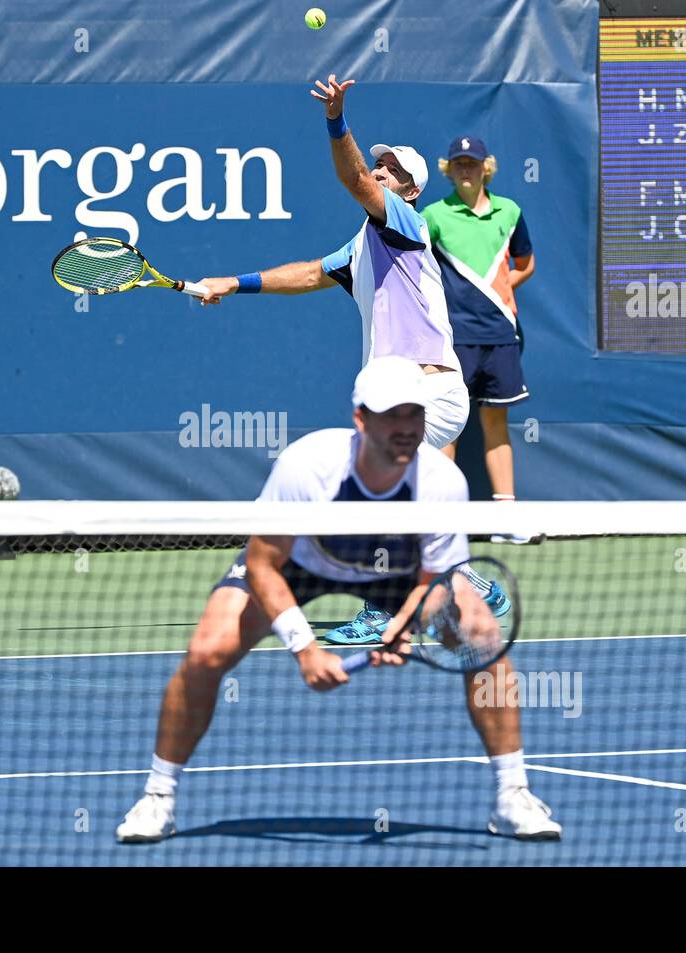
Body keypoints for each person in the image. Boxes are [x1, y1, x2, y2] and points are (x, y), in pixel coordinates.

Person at [115, 357, 563, 844]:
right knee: (206, 652)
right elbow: (264, 563)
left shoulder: (442, 482)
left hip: (396, 573)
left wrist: (404, 627)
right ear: (360, 419)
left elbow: (435, 580)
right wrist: (305, 648)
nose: (405, 428)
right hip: (297, 564)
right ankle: (158, 795)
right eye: (390, 415)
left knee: (481, 636)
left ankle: (512, 794)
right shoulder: (307, 467)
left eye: (414, 414)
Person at [193, 75, 507, 644]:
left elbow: (355, 178)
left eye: (392, 172)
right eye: (380, 167)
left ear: (409, 192)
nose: (381, 173)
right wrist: (230, 283)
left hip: (426, 393)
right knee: (383, 493)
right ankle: (465, 582)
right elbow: (311, 274)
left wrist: (336, 119)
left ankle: (386, 610)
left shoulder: (406, 224)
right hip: (409, 395)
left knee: (368, 491)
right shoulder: (364, 244)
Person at [422, 137, 537, 542]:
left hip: (501, 335)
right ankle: (443, 525)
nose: (465, 171)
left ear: (485, 168)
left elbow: (526, 263)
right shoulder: (434, 215)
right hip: (453, 339)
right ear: (448, 170)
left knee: (495, 423)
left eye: (472, 164)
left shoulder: (510, 211)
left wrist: (503, 286)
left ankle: (505, 520)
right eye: (458, 165)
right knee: (447, 427)